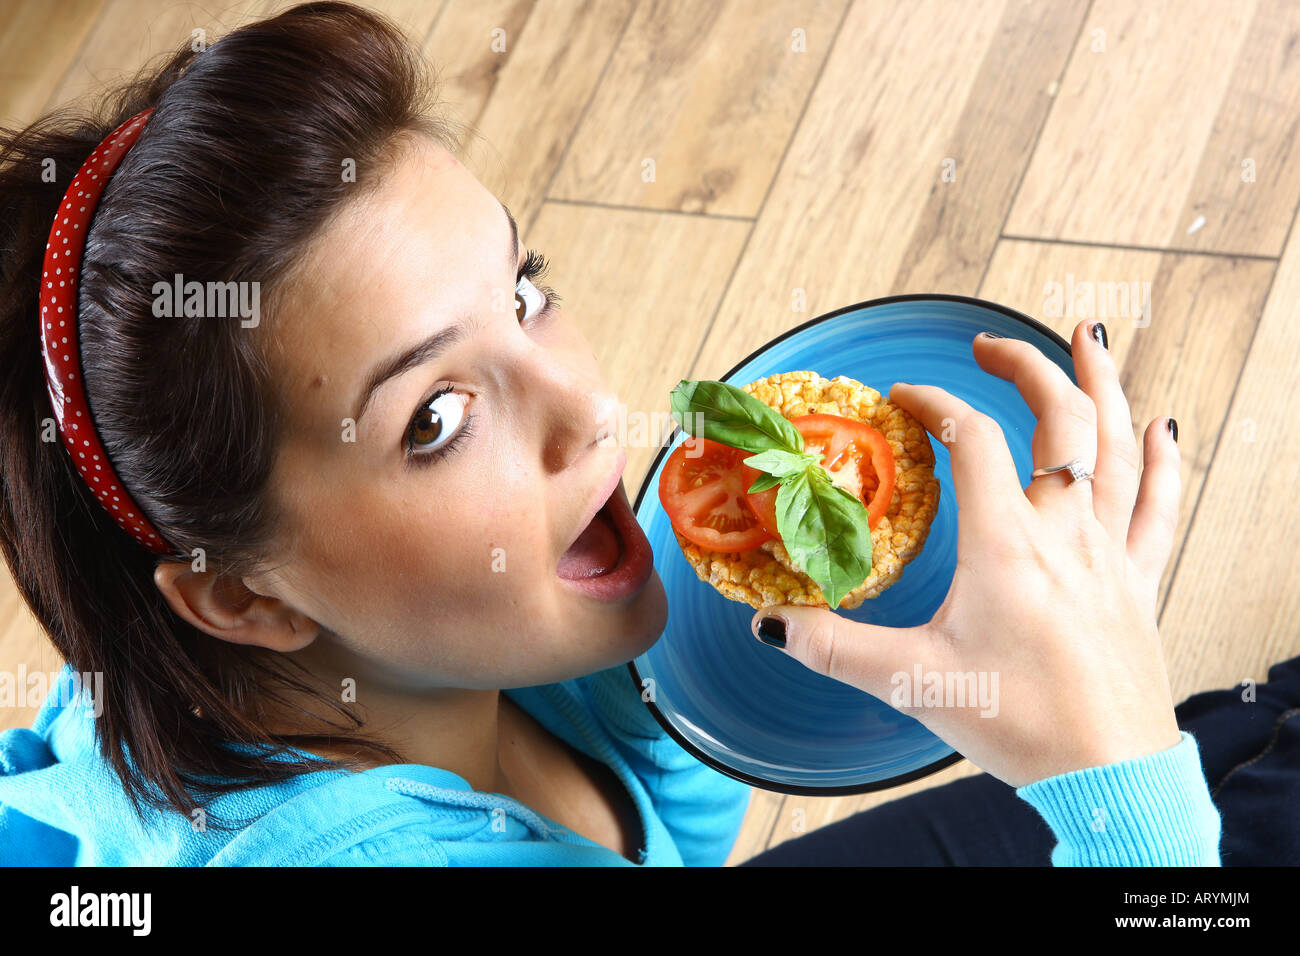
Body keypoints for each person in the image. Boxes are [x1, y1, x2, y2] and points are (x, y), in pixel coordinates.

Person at [0, 1, 1218, 866]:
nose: (591, 410)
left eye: (523, 288)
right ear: (244, 598)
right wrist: (1117, 764)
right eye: (436, 417)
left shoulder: (413, 644)